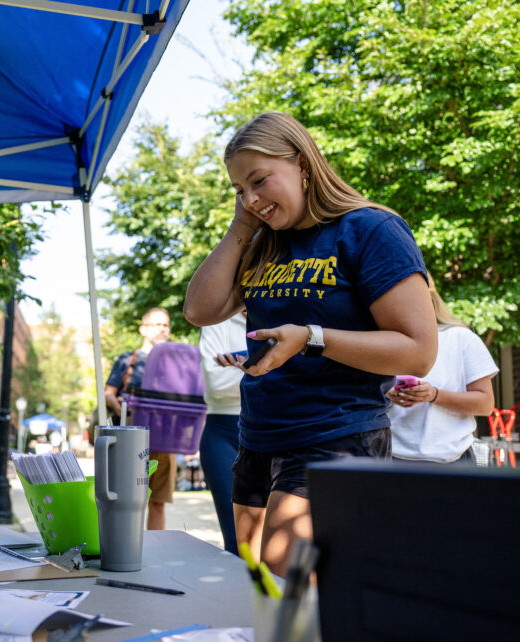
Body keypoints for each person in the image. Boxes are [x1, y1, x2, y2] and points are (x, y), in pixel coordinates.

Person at [183, 112, 437, 576]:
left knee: (287, 591)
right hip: (258, 437)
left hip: (337, 434)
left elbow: (418, 349)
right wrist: (242, 227)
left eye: (259, 181)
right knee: (254, 586)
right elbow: (199, 310)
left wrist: (311, 339)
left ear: (302, 163)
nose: (252, 199)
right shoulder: (264, 242)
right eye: (240, 190)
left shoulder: (369, 229)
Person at [387, 275, 498, 464]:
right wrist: (388, 394)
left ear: (429, 297)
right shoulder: (384, 341)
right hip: (395, 458)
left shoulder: (462, 338)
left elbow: (485, 404)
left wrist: (434, 395)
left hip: (454, 460)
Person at [104, 307, 177, 530]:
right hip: (131, 441)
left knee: (158, 503)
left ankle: (154, 550)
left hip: (165, 441)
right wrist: (118, 407)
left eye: (166, 325)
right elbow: (108, 392)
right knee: (128, 501)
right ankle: (125, 546)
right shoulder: (128, 359)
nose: (163, 329)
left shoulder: (177, 362)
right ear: (143, 329)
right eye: (157, 324)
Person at [198, 312, 248, 554]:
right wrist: (270, 364)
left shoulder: (284, 312)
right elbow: (216, 384)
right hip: (221, 430)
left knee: (276, 541)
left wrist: (239, 363)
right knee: (236, 539)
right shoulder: (217, 321)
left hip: (270, 428)